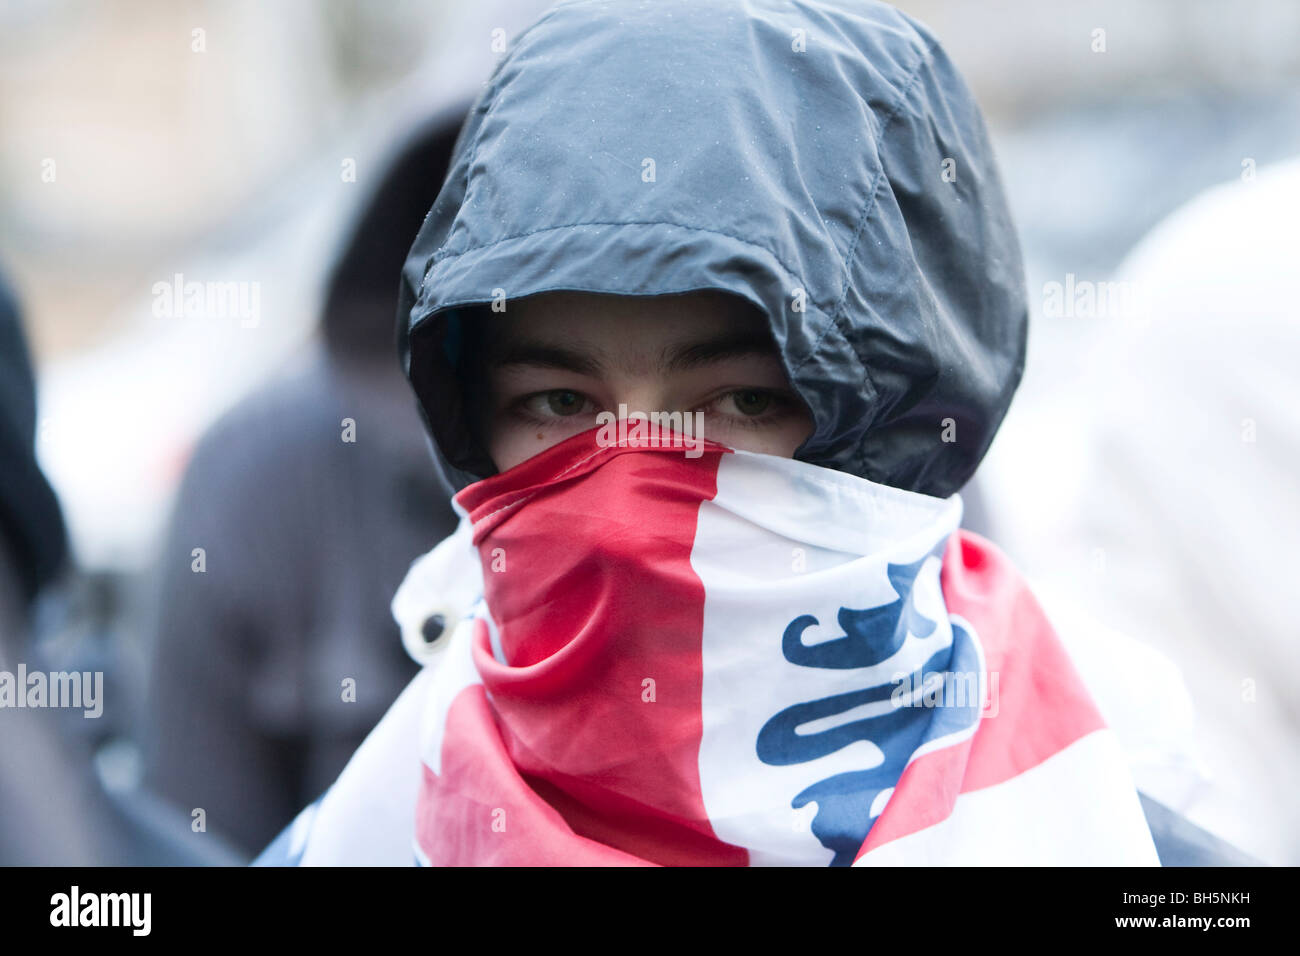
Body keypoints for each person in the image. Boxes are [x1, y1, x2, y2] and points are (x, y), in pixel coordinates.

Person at [256, 0, 1250, 866]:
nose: (629, 493)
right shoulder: (380, 825)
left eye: (739, 403)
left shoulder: (1104, 833)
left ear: (897, 428)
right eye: (560, 404)